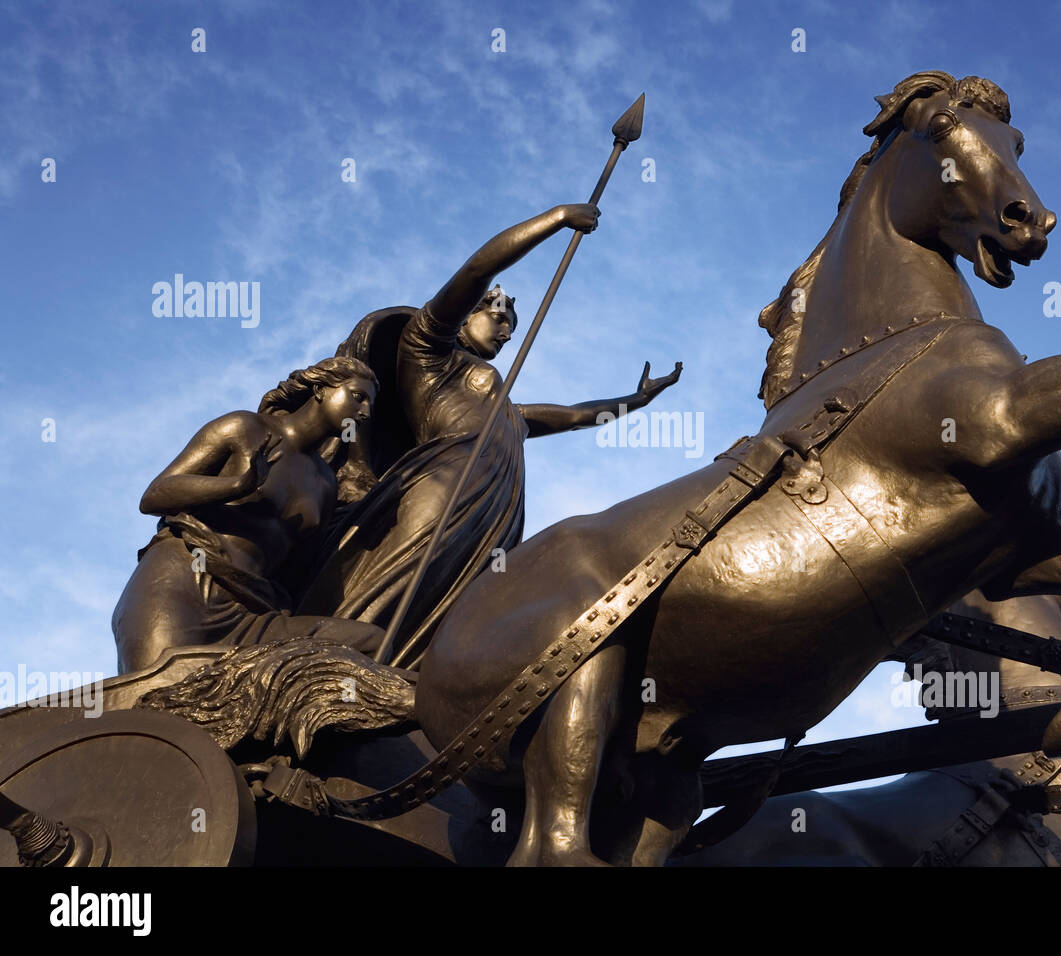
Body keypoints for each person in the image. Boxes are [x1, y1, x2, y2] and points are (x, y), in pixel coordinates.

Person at [295, 202, 682, 668]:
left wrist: (636, 401)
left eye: (512, 328)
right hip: (442, 488)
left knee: (453, 617)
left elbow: (577, 417)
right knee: (392, 583)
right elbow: (480, 267)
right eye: (498, 317)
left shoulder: (507, 413)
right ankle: (321, 665)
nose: (505, 332)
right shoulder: (427, 351)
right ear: (466, 314)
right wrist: (557, 218)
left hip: (497, 515)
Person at [112, 357, 385, 673]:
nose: (365, 412)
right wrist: (235, 485)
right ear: (321, 389)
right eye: (358, 396)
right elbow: (155, 495)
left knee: (371, 641)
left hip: (254, 613)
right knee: (156, 700)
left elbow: (301, 570)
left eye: (370, 404)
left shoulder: (325, 484)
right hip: (182, 587)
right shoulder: (245, 428)